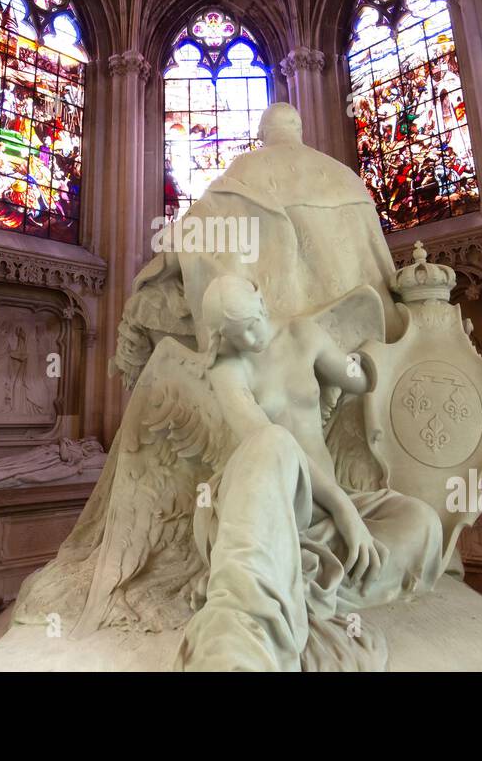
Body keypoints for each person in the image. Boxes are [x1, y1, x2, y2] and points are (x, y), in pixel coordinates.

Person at [177, 275, 444, 671]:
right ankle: (239, 624)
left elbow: (359, 379)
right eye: (238, 334)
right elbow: (262, 440)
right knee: (275, 441)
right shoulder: (228, 370)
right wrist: (344, 511)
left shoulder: (304, 335)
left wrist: (376, 363)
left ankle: (284, 584)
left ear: (263, 305)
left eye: (253, 323)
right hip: (267, 499)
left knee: (422, 523)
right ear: (221, 337)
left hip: (327, 507)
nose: (252, 339)